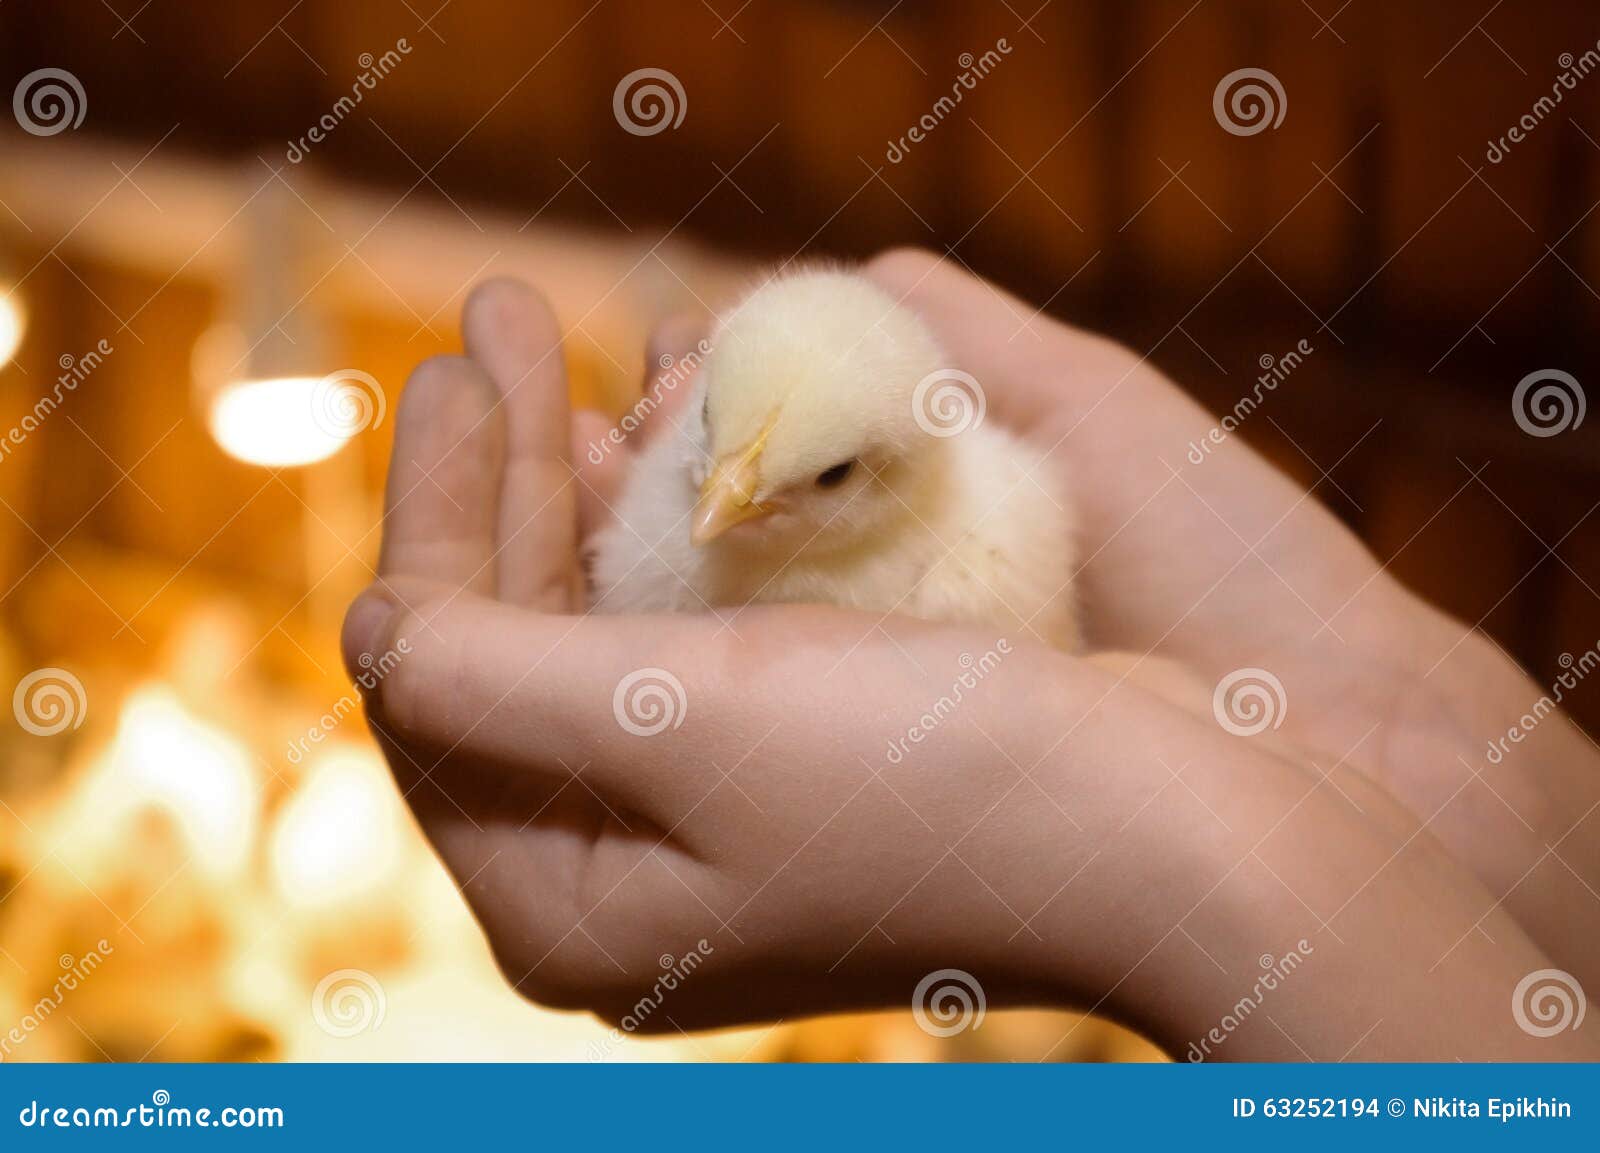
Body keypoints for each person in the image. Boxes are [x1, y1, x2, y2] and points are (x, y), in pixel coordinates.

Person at [340, 249, 1600, 1061]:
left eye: (822, 475)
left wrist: (1154, 852)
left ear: (892, 467)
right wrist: (1444, 759)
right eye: (721, 439)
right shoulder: (713, 497)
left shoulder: (986, 536)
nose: (719, 503)